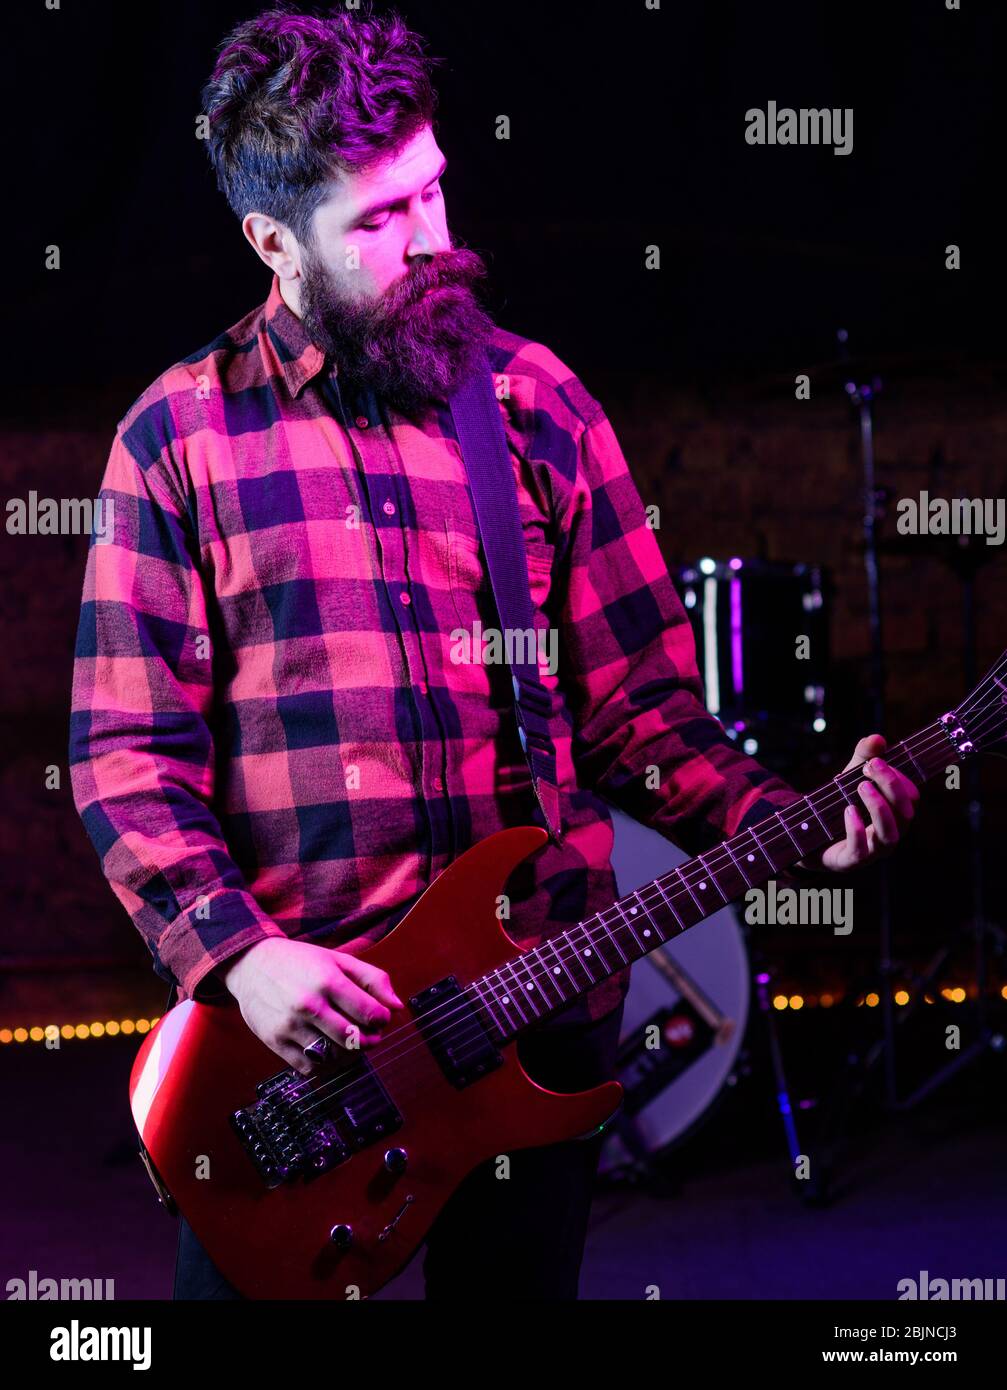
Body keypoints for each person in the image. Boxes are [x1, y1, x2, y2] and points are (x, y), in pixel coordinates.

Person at [69, 3, 917, 1301]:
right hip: (291, 1062)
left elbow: (647, 712)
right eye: (382, 220)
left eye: (436, 192)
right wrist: (243, 955)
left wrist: (796, 816)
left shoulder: (538, 406)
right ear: (272, 242)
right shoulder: (175, 440)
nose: (435, 243)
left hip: (536, 1013)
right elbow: (129, 754)